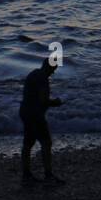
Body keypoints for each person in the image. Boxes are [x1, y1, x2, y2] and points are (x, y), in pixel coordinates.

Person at [20, 56, 63, 184]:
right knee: (46, 142)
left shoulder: (33, 74)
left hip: (25, 111)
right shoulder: (43, 78)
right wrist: (55, 102)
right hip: (35, 115)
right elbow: (43, 100)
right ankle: (48, 175)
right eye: (53, 69)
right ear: (49, 67)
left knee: (28, 144)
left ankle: (26, 175)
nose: (53, 73)